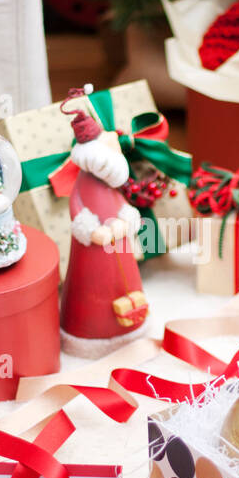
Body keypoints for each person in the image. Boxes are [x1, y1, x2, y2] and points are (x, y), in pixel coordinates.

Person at [58, 90, 149, 356]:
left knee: (125, 282)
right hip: (93, 251)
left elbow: (122, 205)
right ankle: (91, 330)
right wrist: (92, 231)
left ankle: (130, 328)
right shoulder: (82, 185)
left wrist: (126, 220)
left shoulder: (111, 184)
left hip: (118, 243)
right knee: (92, 287)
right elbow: (77, 210)